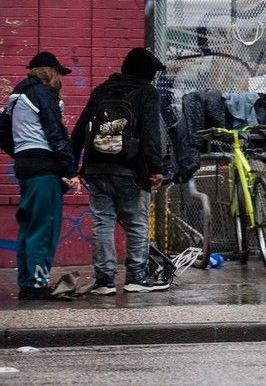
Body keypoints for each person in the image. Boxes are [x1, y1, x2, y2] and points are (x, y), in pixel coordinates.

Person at [72, 47, 167, 294]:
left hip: (96, 168)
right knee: (136, 222)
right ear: (146, 72)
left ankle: (104, 281)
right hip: (131, 170)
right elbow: (150, 133)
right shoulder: (147, 92)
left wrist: (72, 166)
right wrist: (156, 168)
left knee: (102, 222)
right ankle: (136, 276)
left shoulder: (101, 90)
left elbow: (80, 130)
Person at [11, 52, 80, 300]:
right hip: (44, 168)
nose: (62, 79)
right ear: (51, 73)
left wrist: (24, 153)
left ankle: (27, 283)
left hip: (26, 167)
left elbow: (2, 131)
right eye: (59, 74)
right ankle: (37, 285)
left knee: (29, 227)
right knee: (45, 227)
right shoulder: (43, 93)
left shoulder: (16, 97)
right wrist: (70, 171)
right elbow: (56, 133)